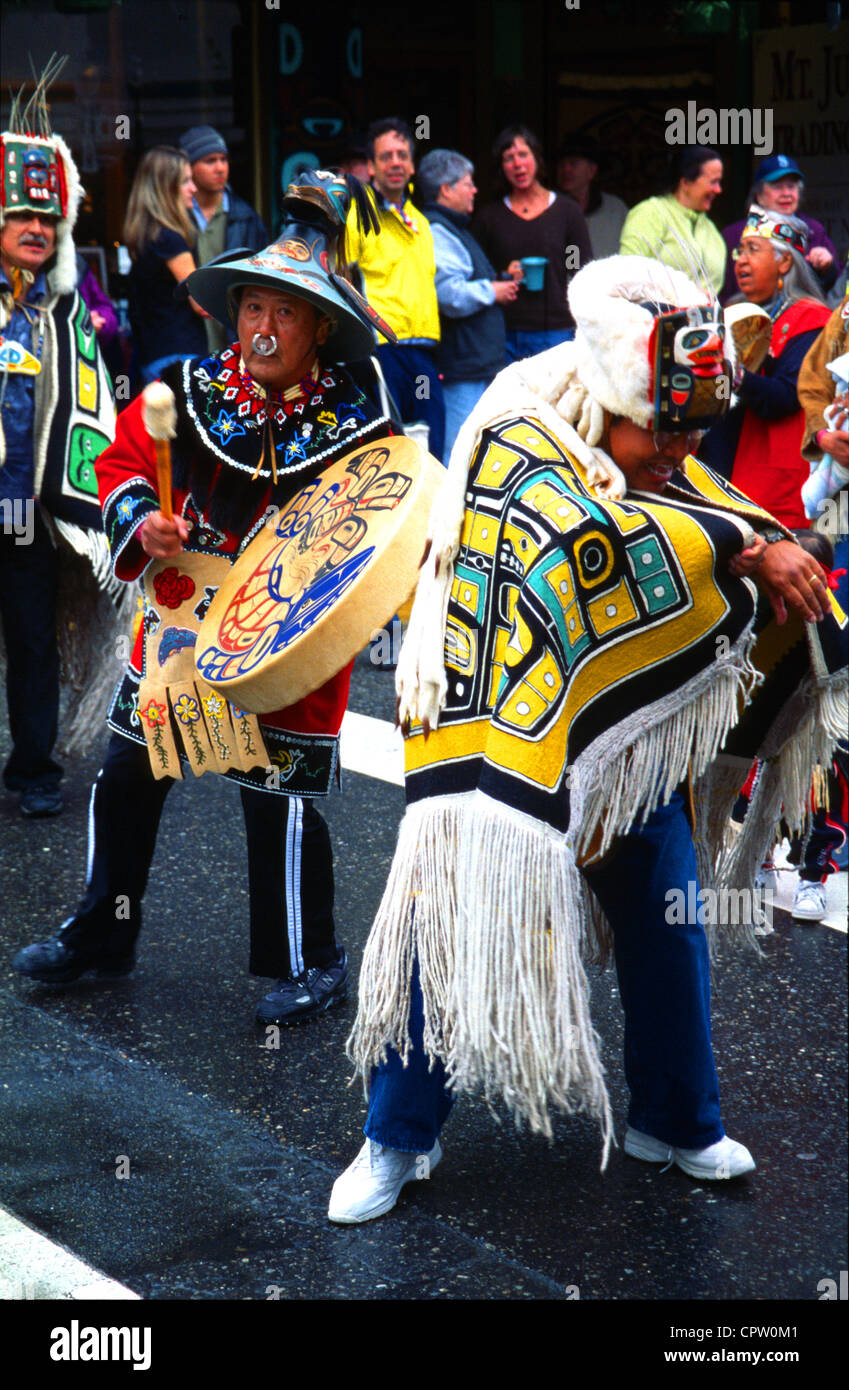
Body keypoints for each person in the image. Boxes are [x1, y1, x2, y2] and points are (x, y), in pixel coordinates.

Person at [328, 253, 845, 1223]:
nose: (677, 446)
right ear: (616, 394)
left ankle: (676, 1118)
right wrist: (748, 545)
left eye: (696, 427)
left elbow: (691, 500)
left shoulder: (646, 427)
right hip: (496, 736)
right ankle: (398, 1136)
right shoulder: (517, 427)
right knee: (457, 907)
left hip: (611, 735)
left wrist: (773, 539)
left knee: (666, 910)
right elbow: (594, 541)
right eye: (666, 426)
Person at [12, 170, 396, 1026]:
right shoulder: (187, 388)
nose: (262, 327)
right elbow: (112, 467)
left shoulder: (358, 416)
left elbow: (378, 521)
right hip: (180, 625)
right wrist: (143, 520)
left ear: (319, 327)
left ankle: (312, 958)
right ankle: (102, 936)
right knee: (125, 776)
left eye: (285, 312)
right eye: (253, 307)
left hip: (282, 631)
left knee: (279, 801)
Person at [0, 58, 117, 818]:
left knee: (34, 641)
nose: (38, 231)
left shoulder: (68, 312)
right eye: (22, 219)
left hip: (32, 514)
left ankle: (34, 770)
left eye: (49, 222)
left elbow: (94, 404)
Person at [699, 208, 831, 529]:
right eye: (739, 251)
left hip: (772, 479)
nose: (740, 260)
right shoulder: (734, 310)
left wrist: (735, 373)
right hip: (721, 466)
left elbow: (786, 397)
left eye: (753, 250)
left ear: (785, 262)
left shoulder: (810, 319)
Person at [344, 117, 445, 461]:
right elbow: (338, 278)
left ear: (413, 165)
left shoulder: (423, 223)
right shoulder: (358, 215)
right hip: (383, 352)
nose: (396, 162)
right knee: (388, 453)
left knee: (431, 452)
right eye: (386, 156)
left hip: (424, 353)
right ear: (370, 167)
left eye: (402, 154)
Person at [416, 149, 516, 463]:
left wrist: (499, 278)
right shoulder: (439, 229)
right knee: (459, 453)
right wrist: (492, 290)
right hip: (461, 370)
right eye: (467, 183)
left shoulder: (453, 227)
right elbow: (449, 294)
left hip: (473, 367)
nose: (474, 190)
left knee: (475, 449)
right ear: (446, 189)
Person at [472, 124, 591, 363]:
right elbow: (473, 275)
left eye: (523, 155)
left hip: (557, 330)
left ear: (537, 158)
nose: (517, 164)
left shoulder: (567, 211)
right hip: (504, 333)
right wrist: (503, 275)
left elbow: (584, 272)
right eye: (508, 158)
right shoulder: (489, 217)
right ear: (501, 168)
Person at [179, 125, 269, 355]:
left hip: (235, 342)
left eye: (223, 159)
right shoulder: (175, 218)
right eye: (210, 161)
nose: (220, 168)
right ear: (188, 167)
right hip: (189, 341)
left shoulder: (246, 218)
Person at [123, 146, 209, 384]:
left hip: (154, 356)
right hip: (179, 357)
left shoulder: (146, 235)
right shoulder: (169, 239)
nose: (193, 188)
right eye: (185, 182)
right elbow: (200, 303)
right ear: (165, 189)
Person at [720, 155, 839, 305]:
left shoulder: (813, 230)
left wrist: (827, 268)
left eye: (791, 186)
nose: (786, 194)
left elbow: (835, 288)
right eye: (777, 186)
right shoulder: (733, 235)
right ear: (759, 195)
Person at [619, 145, 726, 295]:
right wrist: (685, 295)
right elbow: (629, 271)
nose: (718, 190)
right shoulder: (651, 213)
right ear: (686, 182)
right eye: (713, 182)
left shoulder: (711, 230)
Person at [555, 131, 628, 260]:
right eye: (562, 164)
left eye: (573, 163)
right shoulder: (549, 208)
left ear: (592, 171)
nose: (566, 169)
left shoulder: (616, 210)